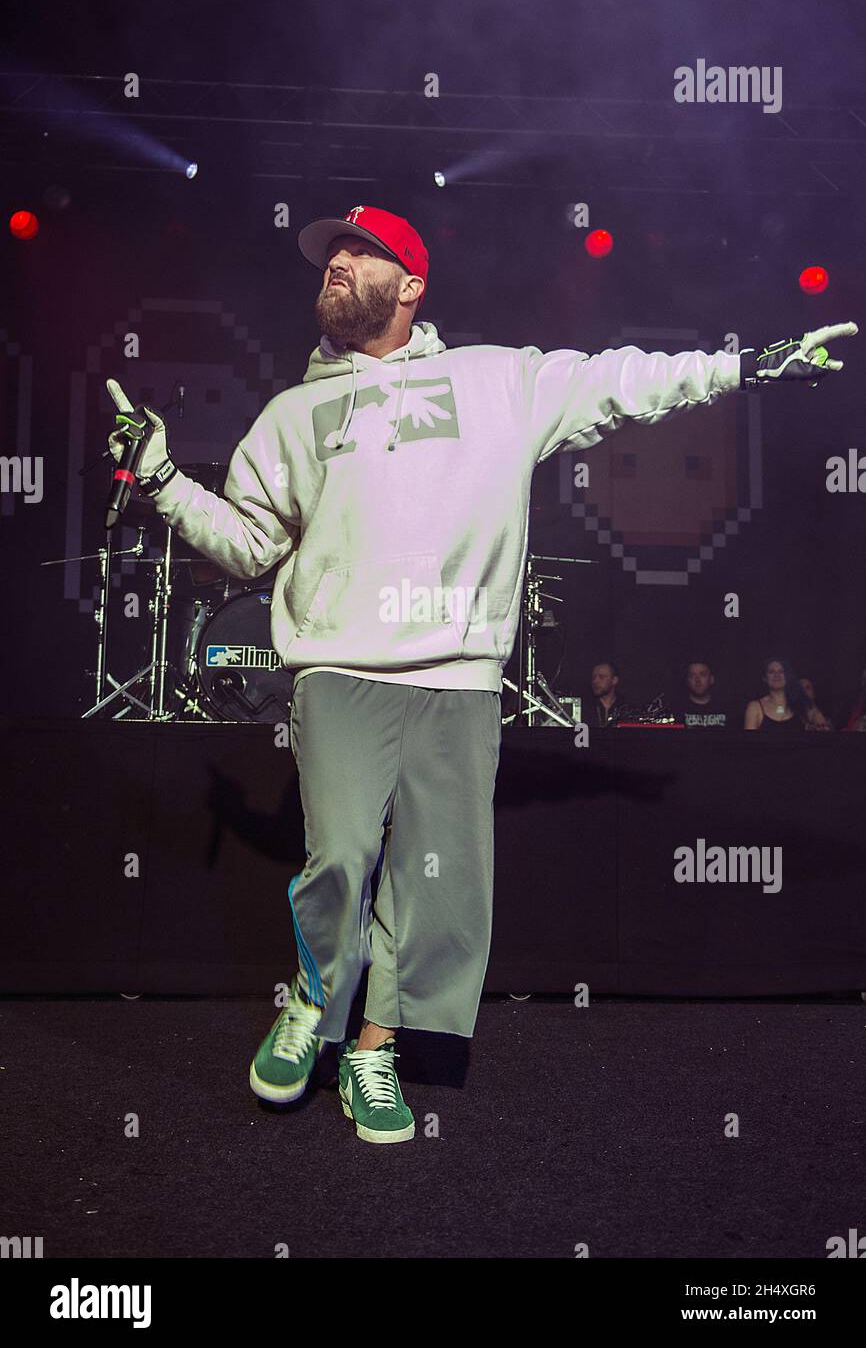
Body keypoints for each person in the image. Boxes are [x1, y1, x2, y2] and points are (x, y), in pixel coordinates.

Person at [108, 204, 857, 1144]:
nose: (335, 264)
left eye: (358, 253)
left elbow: (623, 382)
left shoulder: (496, 379)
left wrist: (749, 363)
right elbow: (250, 544)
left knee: (438, 887)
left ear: (410, 283)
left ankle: (373, 1050)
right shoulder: (293, 415)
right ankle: (312, 1003)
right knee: (340, 853)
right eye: (329, 256)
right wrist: (165, 481)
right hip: (339, 662)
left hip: (459, 675)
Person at [744, 657, 826, 731]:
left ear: (787, 676)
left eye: (781, 671)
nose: (777, 675)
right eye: (771, 672)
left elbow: (817, 717)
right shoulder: (755, 706)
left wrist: (818, 721)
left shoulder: (801, 702)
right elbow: (749, 744)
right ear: (765, 678)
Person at [677, 660, 730, 728]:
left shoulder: (725, 707)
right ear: (687, 680)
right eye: (692, 675)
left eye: (702, 674)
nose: (697, 680)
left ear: (711, 679)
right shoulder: (678, 709)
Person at [589, 660, 622, 727]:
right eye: (593, 677)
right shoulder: (586, 707)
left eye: (601, 677)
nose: (595, 681)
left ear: (614, 680)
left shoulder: (624, 708)